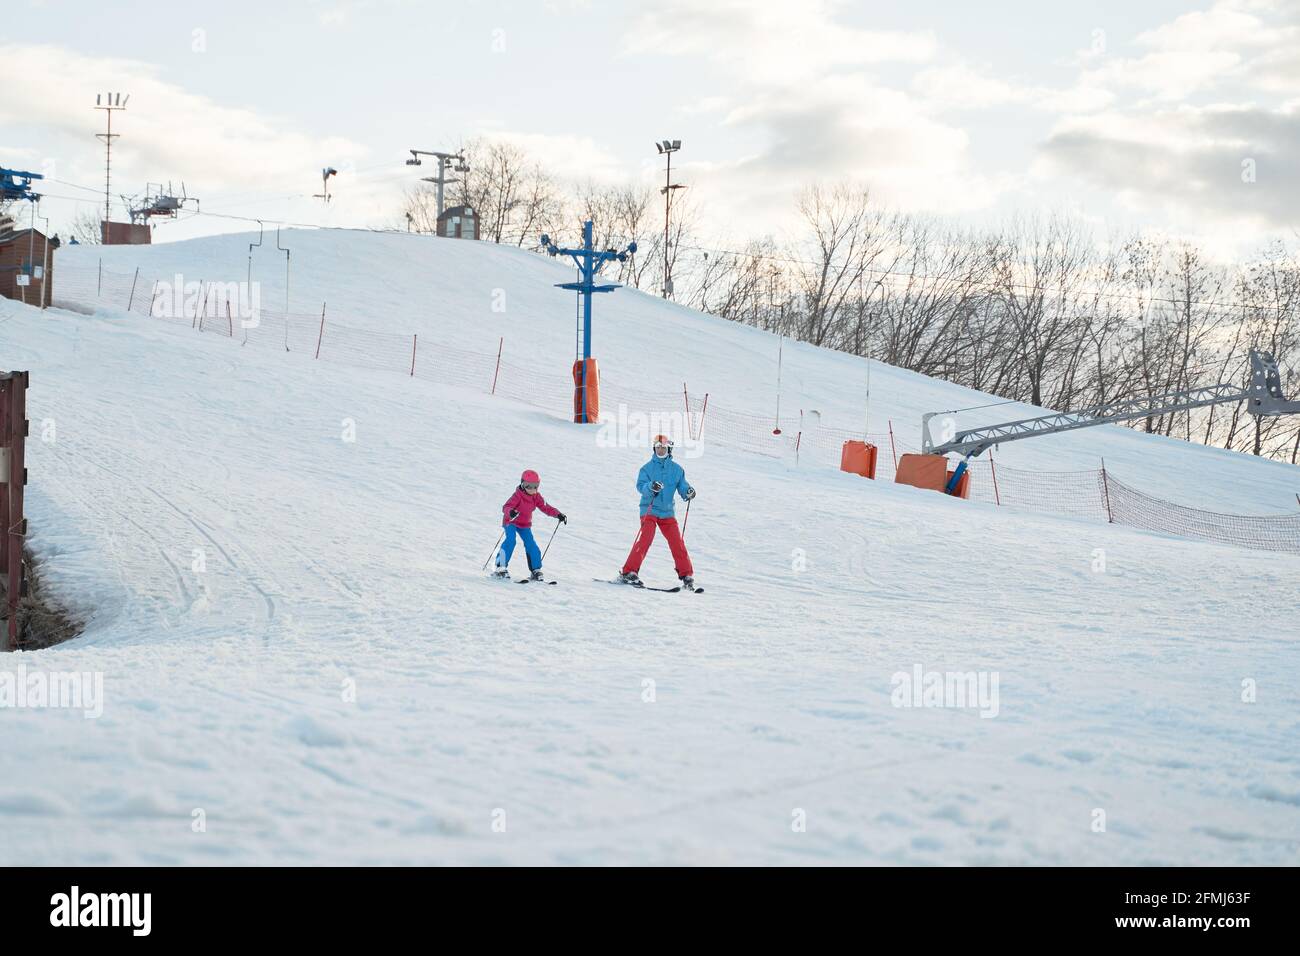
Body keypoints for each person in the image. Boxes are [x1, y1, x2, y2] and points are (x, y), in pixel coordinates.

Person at [619, 435, 697, 589]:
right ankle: (629, 572)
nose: (660, 450)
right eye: (658, 447)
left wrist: (687, 492)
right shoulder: (647, 468)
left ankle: (686, 574)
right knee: (646, 538)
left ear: (669, 449)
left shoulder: (677, 470)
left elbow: (682, 486)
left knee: (677, 542)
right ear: (654, 449)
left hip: (667, 512)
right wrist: (650, 487)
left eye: (663, 447)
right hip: (649, 509)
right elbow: (641, 486)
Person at [494, 469, 566, 580]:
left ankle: (535, 570)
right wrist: (511, 512)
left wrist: (558, 514)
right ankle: (500, 567)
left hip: (524, 524)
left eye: (535, 486)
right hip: (511, 521)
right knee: (510, 541)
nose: (532, 489)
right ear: (522, 484)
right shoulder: (517, 496)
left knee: (531, 545)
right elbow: (506, 507)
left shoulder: (536, 497)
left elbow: (546, 507)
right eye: (528, 486)